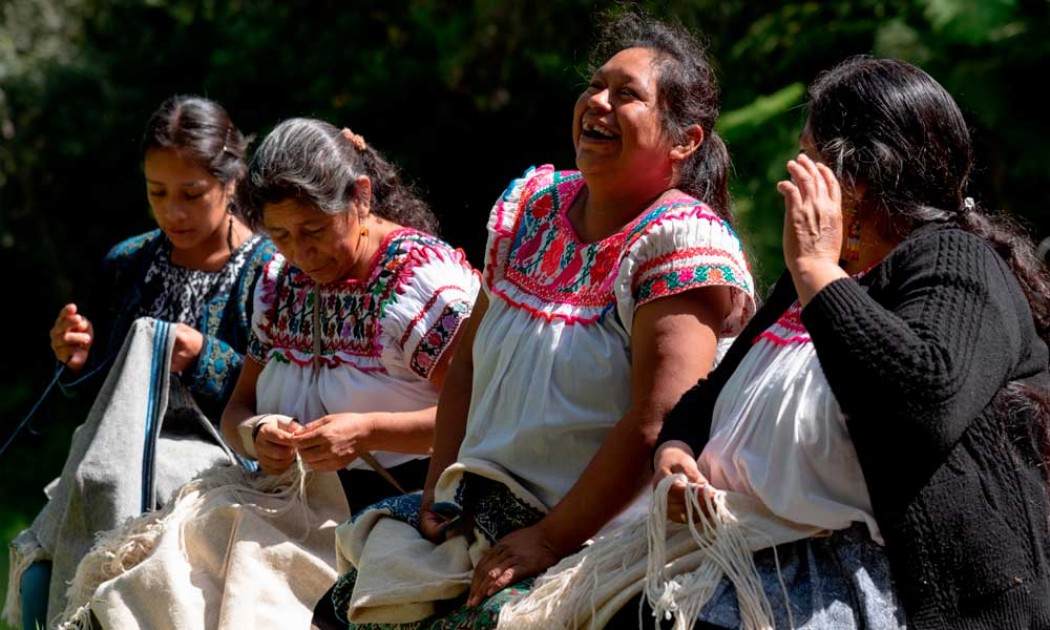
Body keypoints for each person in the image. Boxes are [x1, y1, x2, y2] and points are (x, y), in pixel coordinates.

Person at [324, 10, 755, 629]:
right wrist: (436, 493)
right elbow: (469, 358)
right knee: (340, 608)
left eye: (626, 94)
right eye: (595, 85)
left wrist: (550, 538)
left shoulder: (681, 242)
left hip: (591, 536)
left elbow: (656, 420)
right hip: (476, 505)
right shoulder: (534, 205)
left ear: (684, 140)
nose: (598, 102)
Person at [639, 56, 1050, 628]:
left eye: (810, 159)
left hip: (879, 593)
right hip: (748, 563)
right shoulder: (819, 279)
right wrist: (676, 451)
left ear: (859, 179)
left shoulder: (956, 261)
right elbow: (711, 391)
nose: (793, 177)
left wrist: (813, 267)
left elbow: (922, 399)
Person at [51, 117, 480, 630]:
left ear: (361, 196)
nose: (300, 253)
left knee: (248, 593)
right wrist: (256, 437)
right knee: (151, 582)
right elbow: (238, 408)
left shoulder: (417, 284)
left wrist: (368, 432)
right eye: (279, 235)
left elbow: (484, 412)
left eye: (315, 231)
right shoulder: (280, 282)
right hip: (285, 499)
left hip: (396, 508)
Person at [4, 95, 275, 630]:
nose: (173, 212)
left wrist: (205, 357)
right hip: (118, 466)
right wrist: (77, 361)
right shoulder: (127, 264)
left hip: (221, 487)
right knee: (38, 580)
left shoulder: (268, 275)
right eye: (157, 193)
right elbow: (107, 395)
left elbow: (279, 398)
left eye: (192, 194)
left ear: (231, 183)